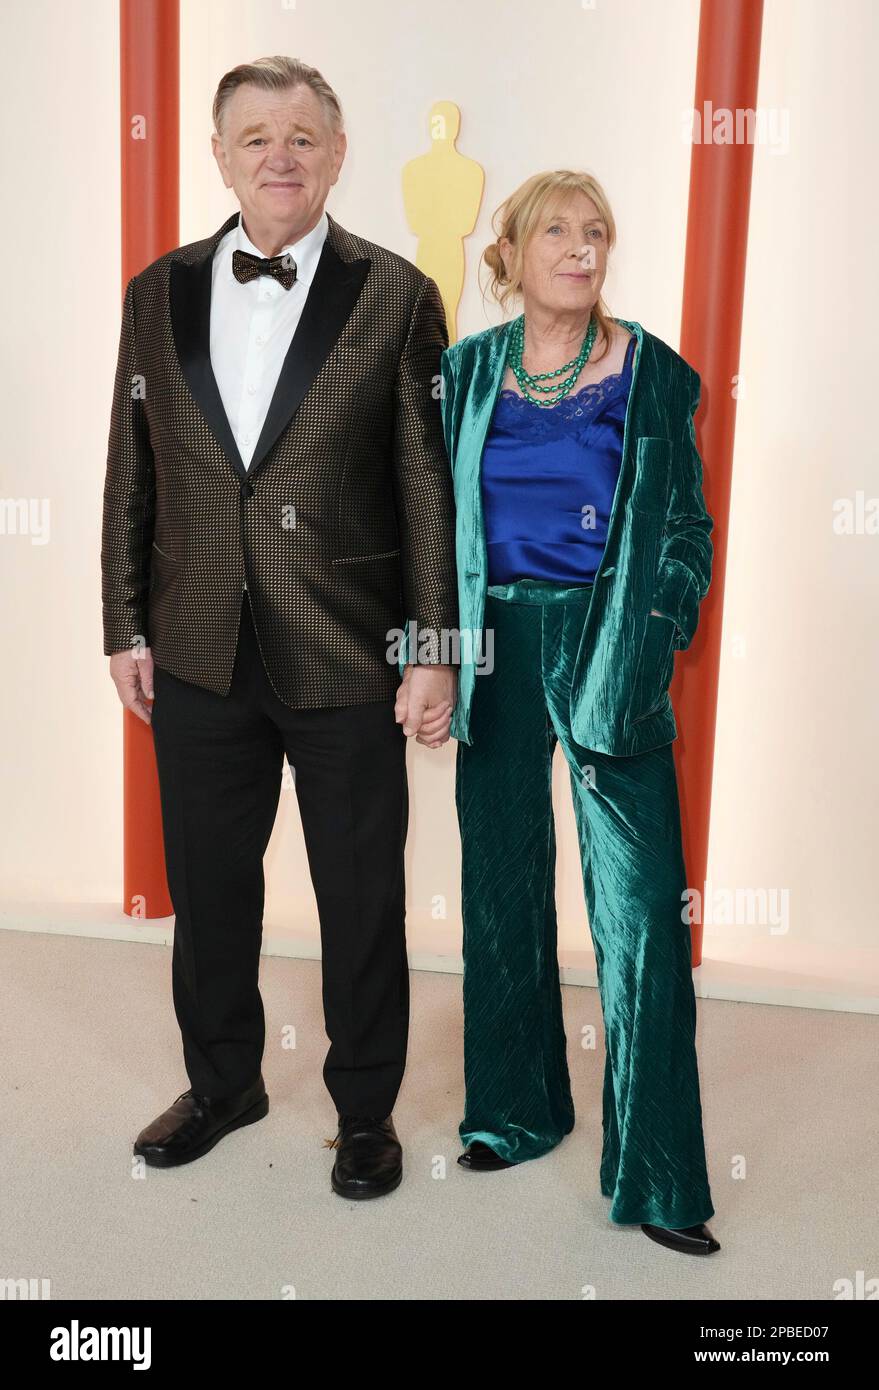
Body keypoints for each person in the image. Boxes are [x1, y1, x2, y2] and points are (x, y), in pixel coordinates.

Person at [102, 56, 457, 1199]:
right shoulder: (155, 292)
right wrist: (122, 622)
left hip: (349, 646)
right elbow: (128, 474)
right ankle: (223, 1084)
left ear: (339, 154)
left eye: (303, 134)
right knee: (208, 889)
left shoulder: (397, 295)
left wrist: (433, 643)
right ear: (219, 156)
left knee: (360, 894)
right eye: (254, 136)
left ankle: (365, 1112)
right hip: (195, 640)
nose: (280, 155)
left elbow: (427, 486)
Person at [441, 169, 720, 1255]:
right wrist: (431, 660)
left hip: (611, 645)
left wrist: (658, 628)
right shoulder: (464, 376)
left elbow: (688, 528)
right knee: (501, 889)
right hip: (497, 648)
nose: (580, 246)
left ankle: (659, 1177)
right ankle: (514, 1112)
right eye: (555, 229)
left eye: (596, 231)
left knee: (642, 916)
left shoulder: (651, 372)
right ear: (509, 252)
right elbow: (438, 540)